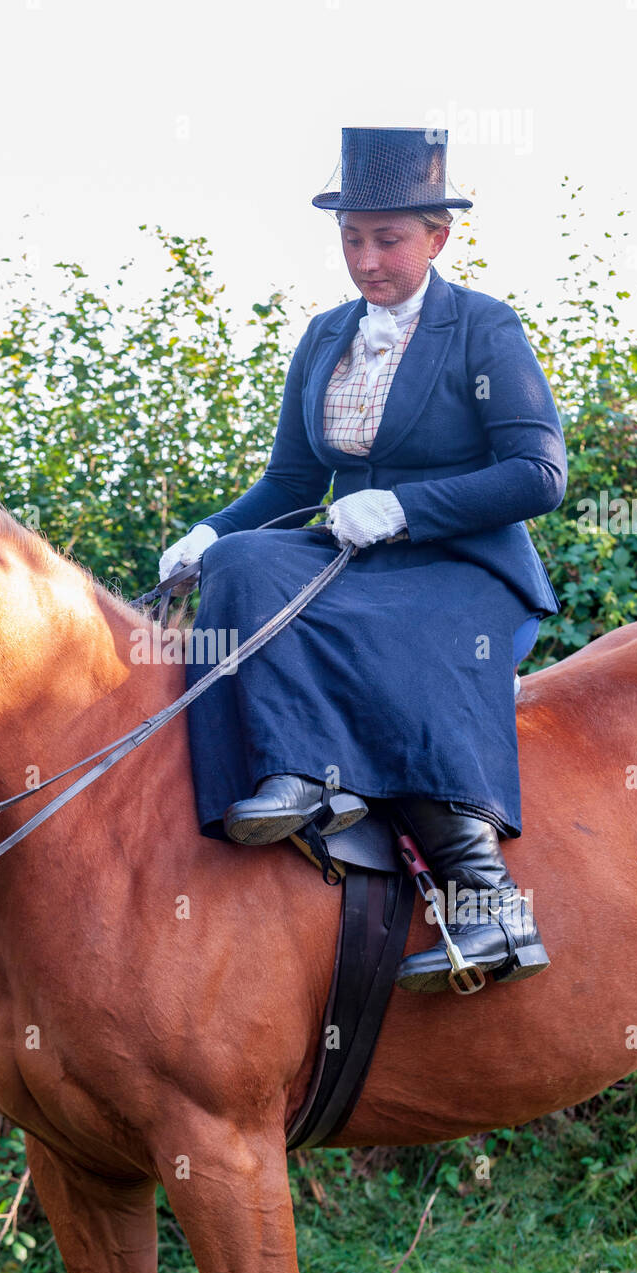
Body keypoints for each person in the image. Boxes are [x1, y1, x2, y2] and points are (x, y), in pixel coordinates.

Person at [159, 127, 567, 993]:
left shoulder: (484, 329)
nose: (367, 260)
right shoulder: (322, 335)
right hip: (355, 554)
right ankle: (296, 777)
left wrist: (405, 507)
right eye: (352, 239)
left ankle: (487, 905)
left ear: (437, 237)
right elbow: (291, 480)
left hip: (463, 567)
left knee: (389, 639)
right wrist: (207, 531)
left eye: (388, 239)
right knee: (241, 562)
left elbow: (538, 475)